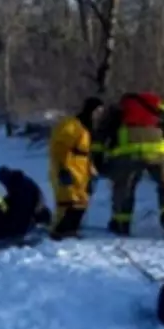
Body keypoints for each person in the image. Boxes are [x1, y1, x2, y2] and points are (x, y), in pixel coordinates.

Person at [94, 91, 164, 239]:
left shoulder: (118, 109)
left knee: (123, 187)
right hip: (159, 151)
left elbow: (101, 136)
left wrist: (98, 159)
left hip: (126, 151)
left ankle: (122, 223)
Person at [48, 96, 105, 239]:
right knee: (68, 200)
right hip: (68, 166)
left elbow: (87, 154)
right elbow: (58, 147)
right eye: (98, 111)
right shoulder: (72, 125)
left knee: (81, 201)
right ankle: (59, 230)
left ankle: (71, 229)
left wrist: (92, 172)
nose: (99, 115)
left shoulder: (87, 128)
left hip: (82, 169)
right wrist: (62, 168)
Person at [0, 166, 51, 237]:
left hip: (35, 210)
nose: (3, 184)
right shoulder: (16, 181)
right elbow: (14, 198)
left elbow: (23, 205)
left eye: (3, 181)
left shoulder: (19, 184)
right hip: (33, 207)